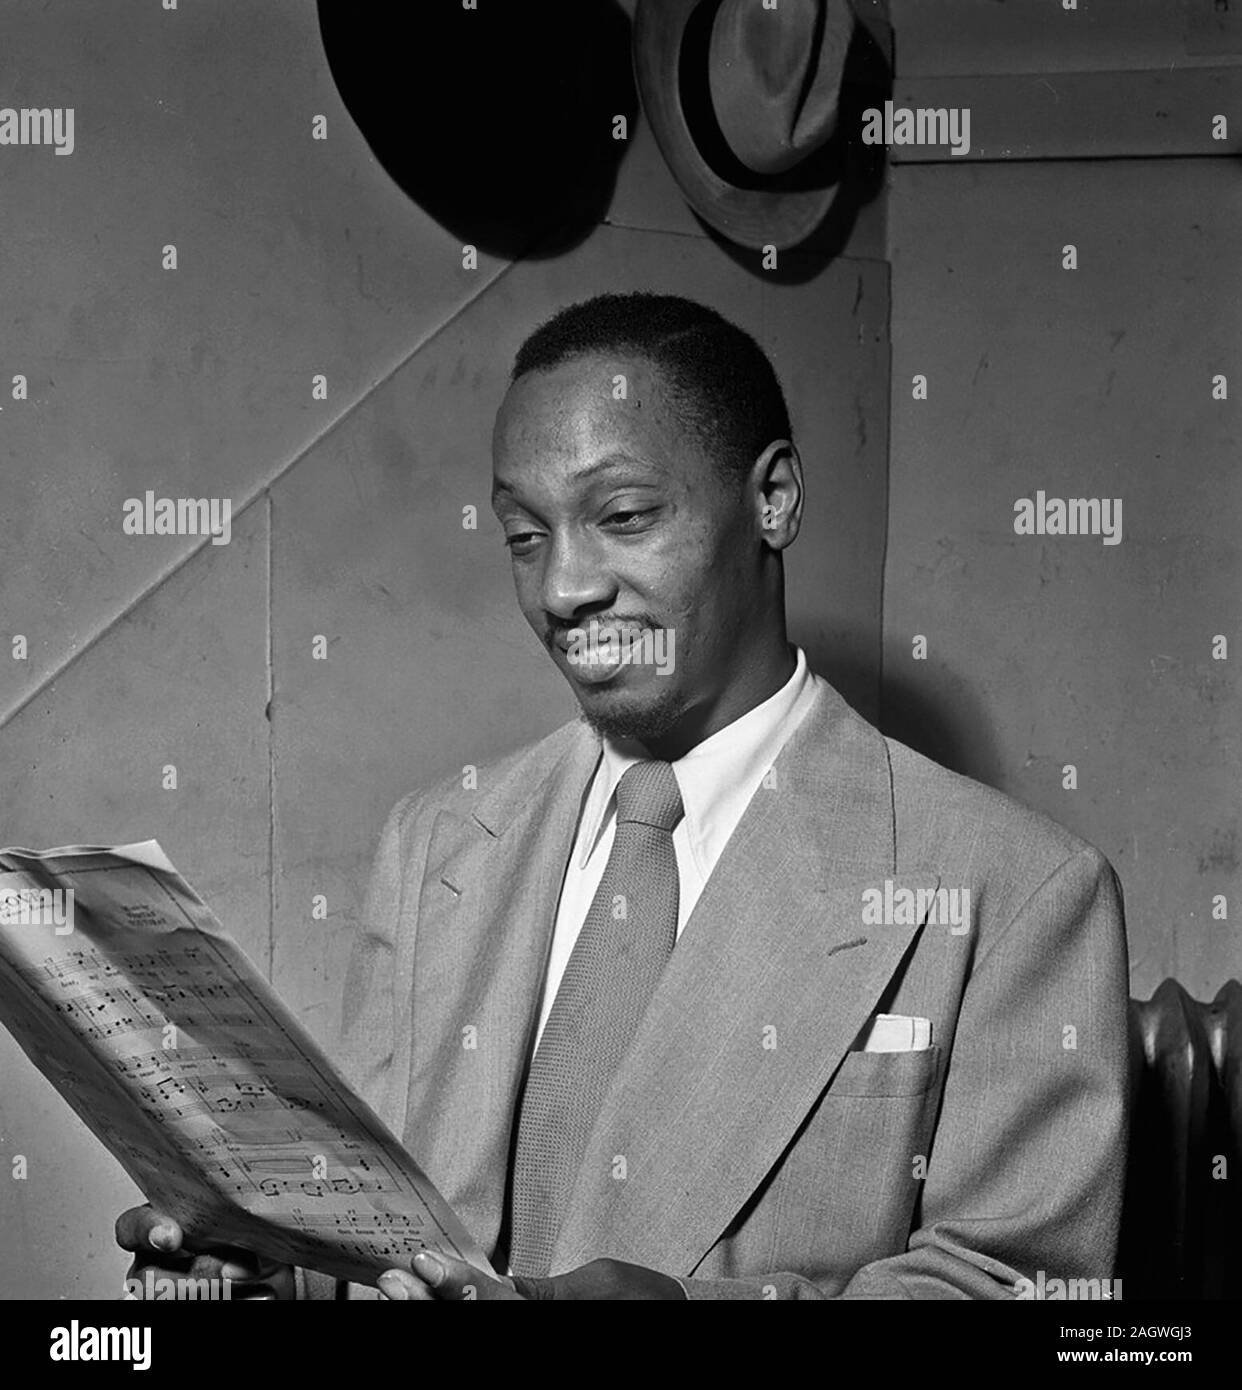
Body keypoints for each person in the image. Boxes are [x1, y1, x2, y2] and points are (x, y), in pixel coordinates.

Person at [117, 292, 1130, 1300]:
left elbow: (1013, 1292)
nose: (563, 589)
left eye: (624, 517)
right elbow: (392, 1237)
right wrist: (273, 1268)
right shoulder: (434, 843)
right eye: (524, 535)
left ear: (772, 499)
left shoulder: (1021, 889)